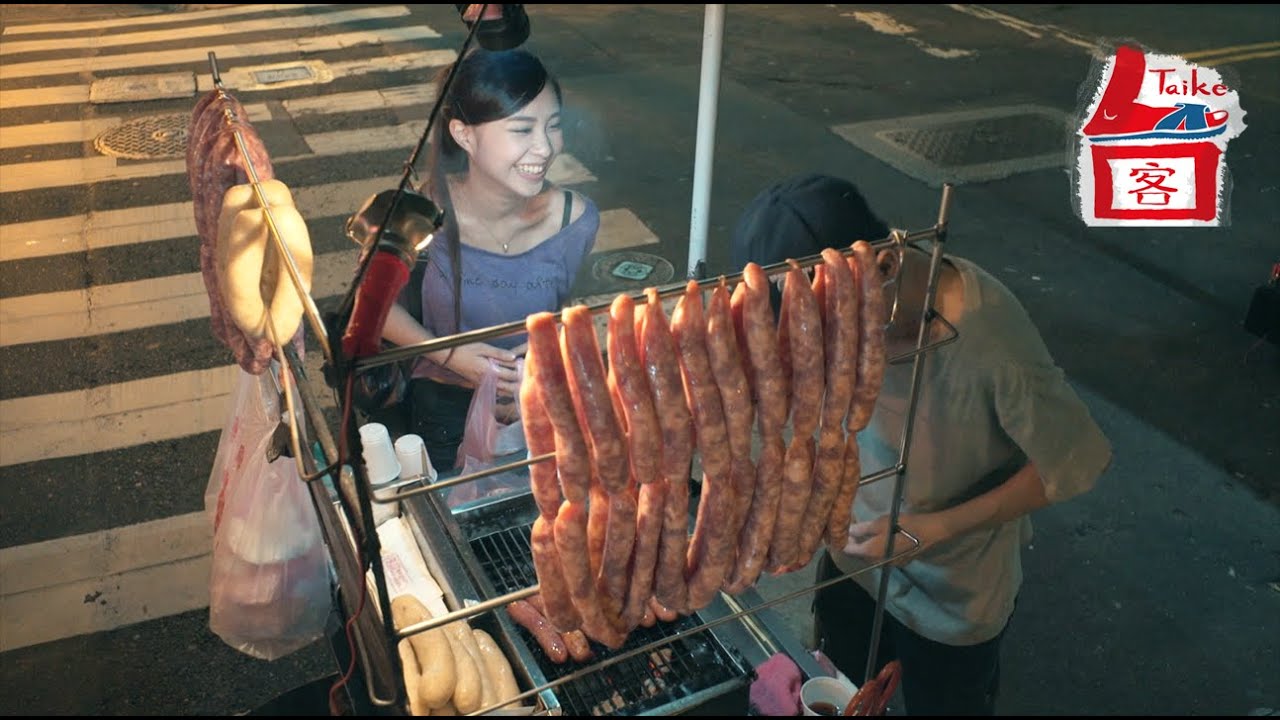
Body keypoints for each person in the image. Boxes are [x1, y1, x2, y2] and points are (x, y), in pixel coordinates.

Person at [730, 173, 1114, 715]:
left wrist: (932, 530)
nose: (813, 349)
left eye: (821, 327)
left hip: (953, 598)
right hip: (854, 560)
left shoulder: (987, 340)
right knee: (843, 692)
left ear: (883, 264)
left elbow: (1078, 461)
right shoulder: (846, 327)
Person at [378, 47, 599, 473]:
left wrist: (553, 346)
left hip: (543, 410)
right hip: (443, 417)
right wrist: (449, 355)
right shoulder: (418, 216)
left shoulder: (576, 220)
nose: (545, 148)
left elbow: (580, 308)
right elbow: (372, 309)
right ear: (464, 135)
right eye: (522, 129)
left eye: (554, 126)